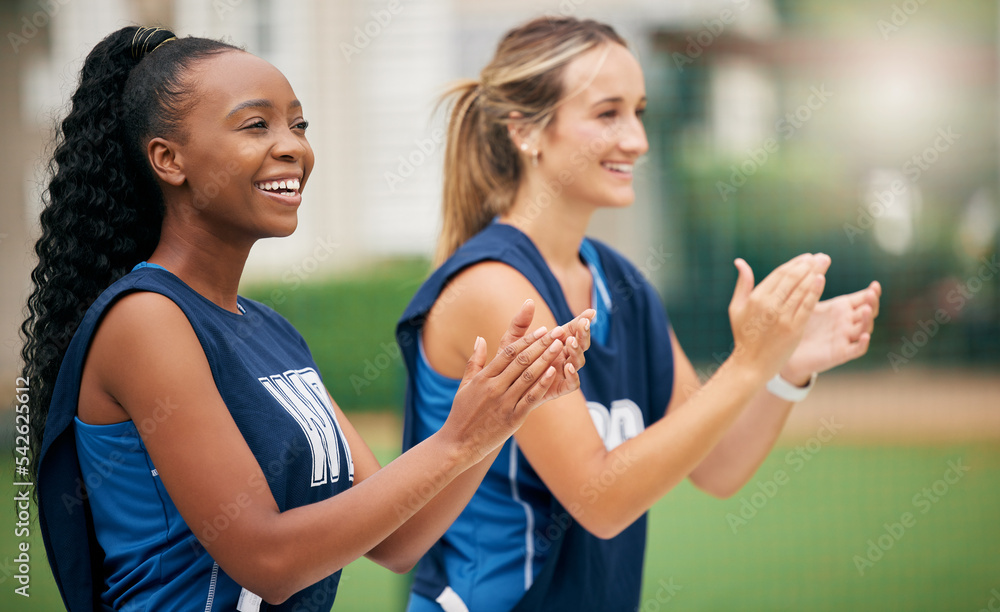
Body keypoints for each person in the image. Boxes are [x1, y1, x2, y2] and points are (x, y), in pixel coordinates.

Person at [20, 26, 594, 611]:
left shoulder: (272, 330)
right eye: (256, 125)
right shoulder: (145, 321)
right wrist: (457, 438)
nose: (293, 146)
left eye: (298, 125)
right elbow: (266, 560)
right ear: (169, 159)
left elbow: (399, 540)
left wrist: (499, 416)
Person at [396, 16, 882, 612]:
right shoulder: (496, 289)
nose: (638, 140)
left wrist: (784, 367)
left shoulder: (621, 284)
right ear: (526, 131)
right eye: (608, 114)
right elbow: (599, 501)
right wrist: (748, 363)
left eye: (639, 112)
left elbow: (718, 467)